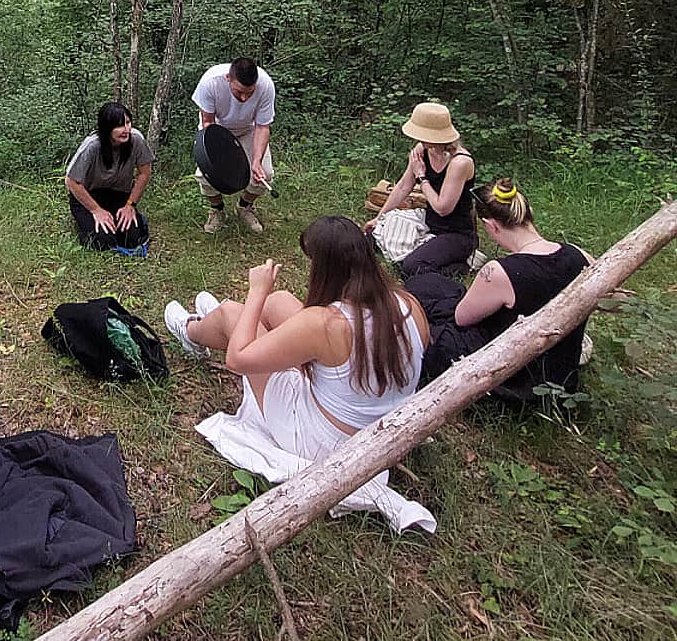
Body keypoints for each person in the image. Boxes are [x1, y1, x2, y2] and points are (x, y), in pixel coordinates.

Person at [164, 215, 429, 460]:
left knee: (231, 313)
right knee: (279, 302)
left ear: (326, 270)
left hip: (326, 441)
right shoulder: (408, 303)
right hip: (376, 424)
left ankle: (192, 332)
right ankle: (221, 325)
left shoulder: (325, 323)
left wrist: (257, 291)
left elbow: (236, 360)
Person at [405, 179, 595, 402]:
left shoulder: (500, 272)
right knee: (428, 285)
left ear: (492, 225)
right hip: (560, 372)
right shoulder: (578, 254)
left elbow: (461, 318)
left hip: (513, 378)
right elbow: (611, 295)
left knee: (424, 328)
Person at [364, 102, 477, 278]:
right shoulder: (422, 149)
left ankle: (461, 267)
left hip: (456, 233)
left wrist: (422, 177)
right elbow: (403, 186)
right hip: (429, 222)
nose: (418, 139)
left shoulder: (460, 162)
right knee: (370, 238)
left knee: (411, 267)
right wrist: (379, 218)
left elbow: (442, 208)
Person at [192, 57, 275, 234]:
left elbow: (262, 126)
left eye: (249, 93)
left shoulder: (266, 85)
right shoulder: (210, 83)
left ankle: (244, 206)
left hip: (248, 129)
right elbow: (208, 122)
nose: (244, 98)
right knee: (206, 174)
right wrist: (222, 156)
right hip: (216, 129)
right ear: (228, 78)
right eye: (239, 92)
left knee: (264, 174)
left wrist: (256, 161)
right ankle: (217, 210)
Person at [64, 102, 154, 252]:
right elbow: (71, 181)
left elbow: (144, 172)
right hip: (89, 196)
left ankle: (125, 219)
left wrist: (130, 205)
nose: (126, 129)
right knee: (102, 241)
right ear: (107, 128)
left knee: (131, 238)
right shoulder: (92, 145)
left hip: (118, 194)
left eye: (128, 123)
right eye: (119, 125)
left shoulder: (136, 139)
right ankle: (85, 221)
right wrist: (96, 210)